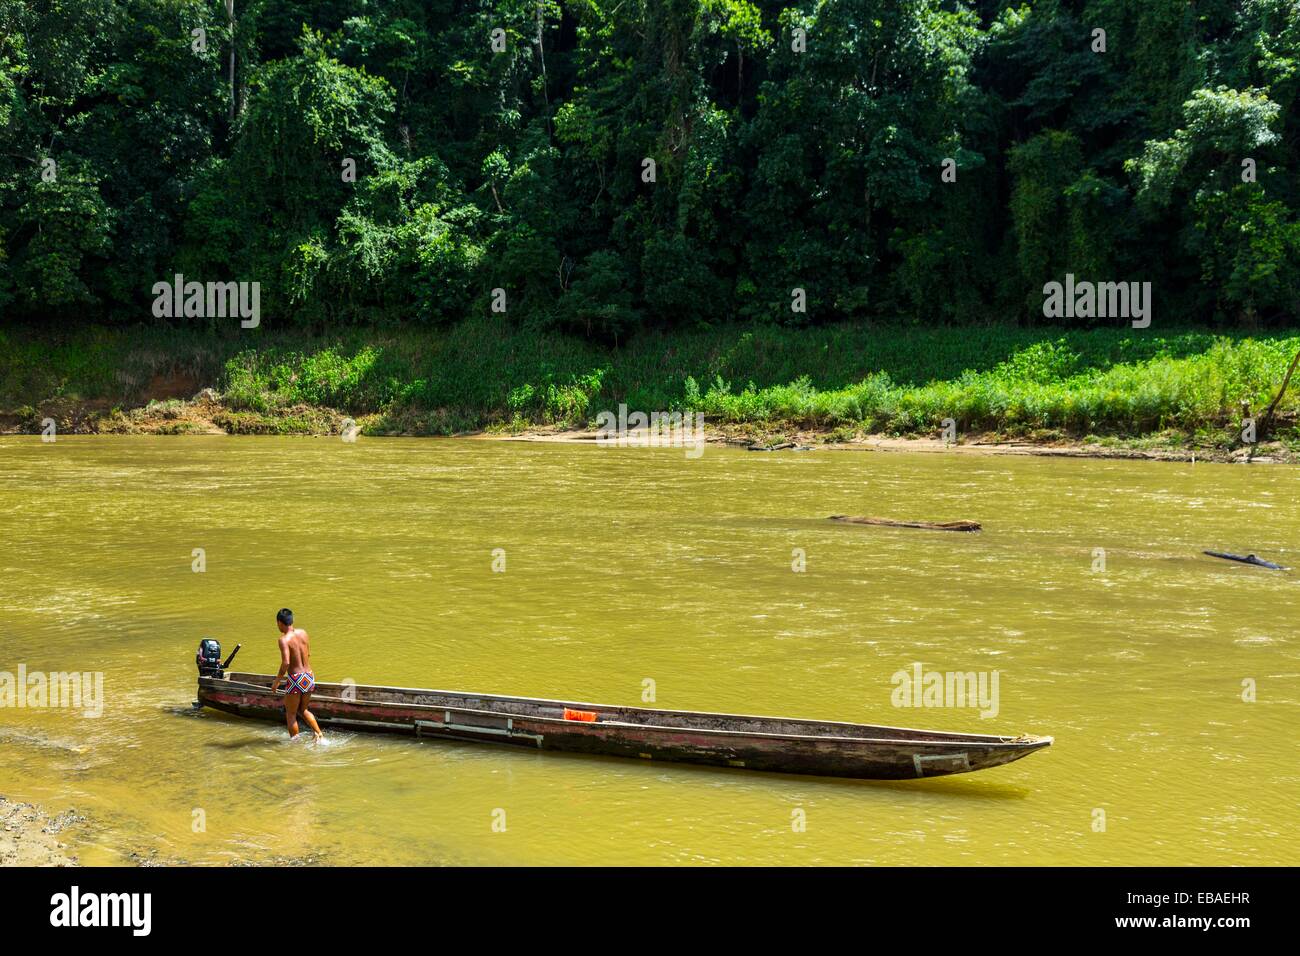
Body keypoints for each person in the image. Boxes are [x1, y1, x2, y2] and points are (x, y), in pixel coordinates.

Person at [269, 608, 323, 741]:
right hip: (309, 676)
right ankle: (319, 734)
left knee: (291, 713)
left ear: (280, 623)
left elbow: (286, 663)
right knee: (303, 709)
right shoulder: (303, 633)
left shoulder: (284, 640)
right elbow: (308, 654)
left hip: (296, 678)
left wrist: (277, 681)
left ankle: (295, 744)